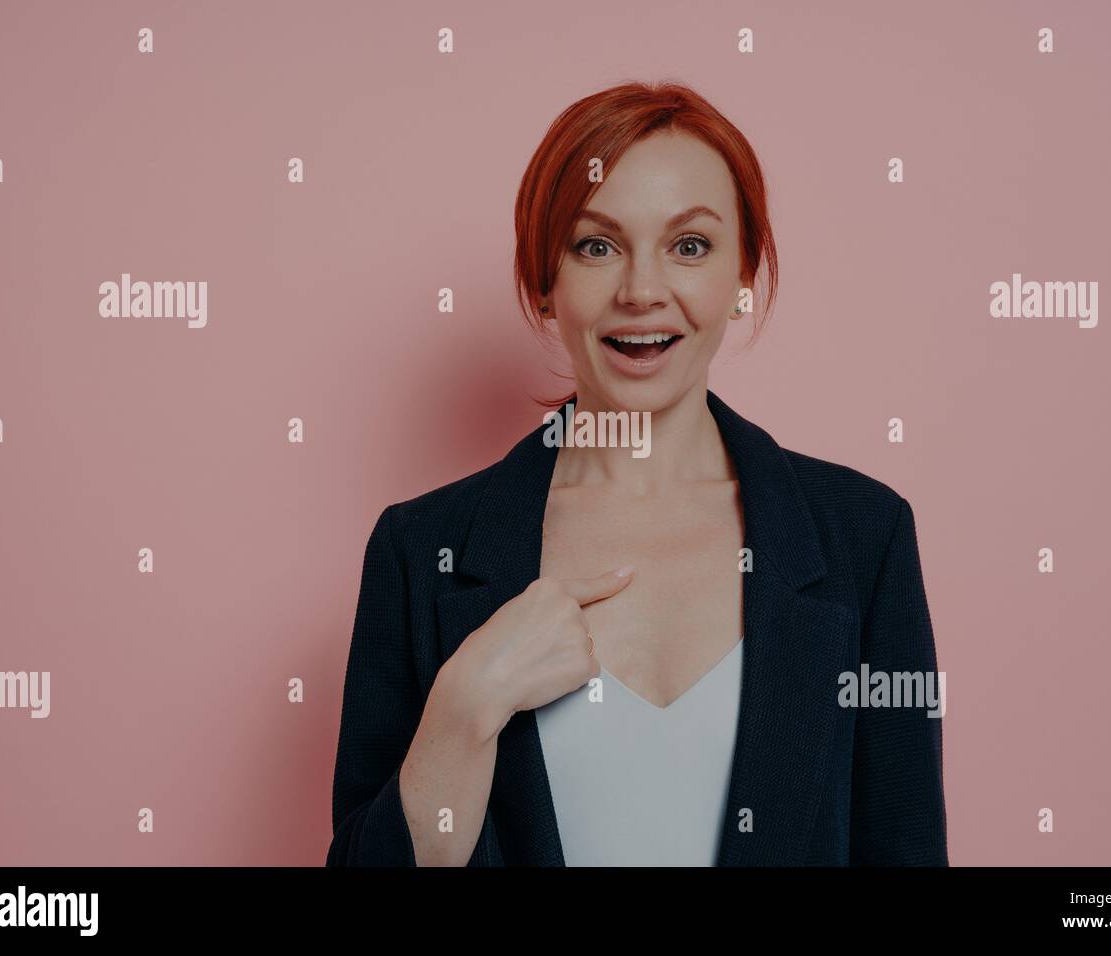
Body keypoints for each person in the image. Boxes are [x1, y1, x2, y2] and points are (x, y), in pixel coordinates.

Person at [327, 81, 947, 866]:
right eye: (596, 245)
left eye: (690, 246)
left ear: (743, 277)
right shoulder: (420, 550)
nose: (642, 292)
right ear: (544, 282)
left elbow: (906, 848)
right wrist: (463, 709)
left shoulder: (865, 537)